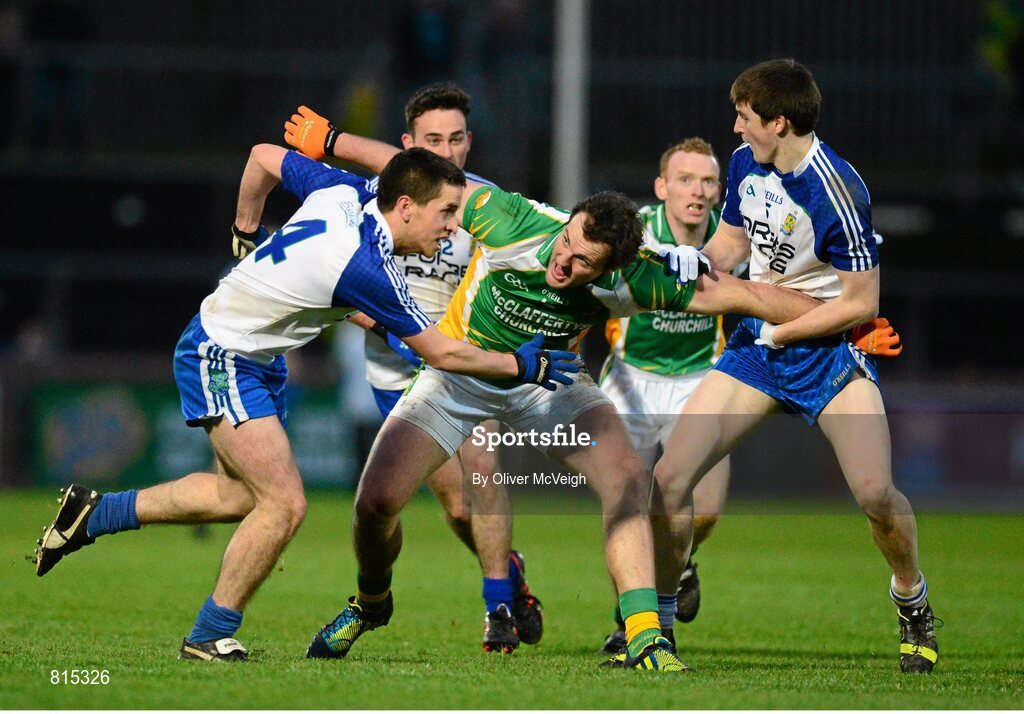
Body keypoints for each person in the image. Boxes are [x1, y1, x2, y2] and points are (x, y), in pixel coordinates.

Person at [283, 111, 832, 672]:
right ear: (568, 221)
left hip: (550, 382)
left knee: (627, 479)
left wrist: (851, 317)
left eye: (582, 263)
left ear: (610, 269)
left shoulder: (637, 278)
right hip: (459, 378)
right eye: (567, 242)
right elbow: (418, 172)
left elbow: (750, 297)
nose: (562, 262)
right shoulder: (511, 218)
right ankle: (371, 603)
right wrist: (331, 142)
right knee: (374, 504)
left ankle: (645, 636)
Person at [31, 145, 579, 661]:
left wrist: (244, 230)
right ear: (407, 207)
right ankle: (209, 636)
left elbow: (263, 158)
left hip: (256, 355)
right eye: (448, 211)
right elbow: (440, 352)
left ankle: (96, 513)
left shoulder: (346, 192)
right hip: (221, 353)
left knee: (234, 497)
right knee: (285, 504)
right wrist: (525, 365)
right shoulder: (367, 266)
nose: (455, 226)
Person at [650, 59, 938, 674]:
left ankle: (911, 598)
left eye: (745, 118)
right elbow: (732, 244)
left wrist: (781, 328)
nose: (735, 128)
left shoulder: (838, 189)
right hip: (759, 348)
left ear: (779, 122)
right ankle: (657, 630)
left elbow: (861, 303)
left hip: (828, 354)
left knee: (874, 494)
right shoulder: (746, 164)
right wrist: (695, 261)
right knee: (670, 478)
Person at [362, 83, 543, 652]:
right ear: (407, 144)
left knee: (484, 466)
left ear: (471, 142)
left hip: (463, 364)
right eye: (432, 139)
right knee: (457, 505)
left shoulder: (490, 208)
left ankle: (498, 612)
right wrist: (400, 331)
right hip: (395, 371)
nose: (446, 150)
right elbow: (338, 293)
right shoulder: (376, 201)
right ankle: (511, 574)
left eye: (456, 138)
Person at [598, 137, 731, 653]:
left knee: (705, 511)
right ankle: (632, 619)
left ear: (719, 191)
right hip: (631, 380)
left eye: (706, 181)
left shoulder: (734, 239)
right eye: (684, 179)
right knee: (625, 504)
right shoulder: (634, 234)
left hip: (702, 377)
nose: (695, 191)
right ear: (662, 188)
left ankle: (681, 560)